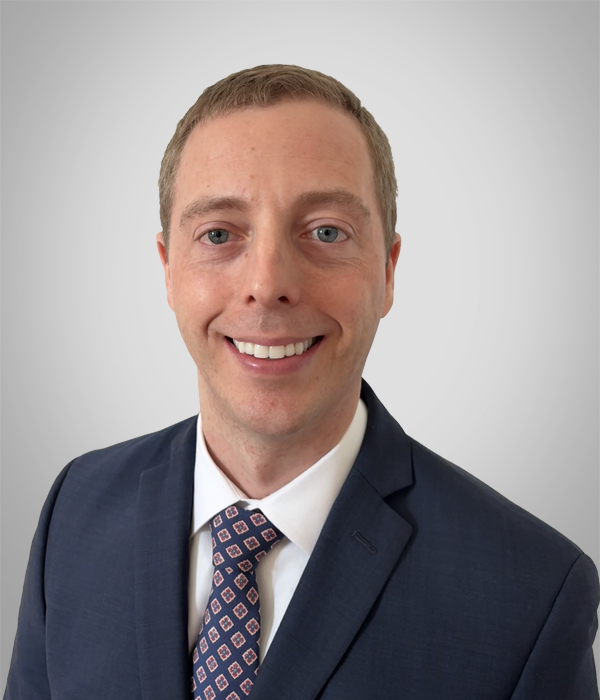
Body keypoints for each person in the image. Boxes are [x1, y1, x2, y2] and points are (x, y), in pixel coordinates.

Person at [3, 64, 599, 700]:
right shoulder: (75, 509)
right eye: (218, 234)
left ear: (388, 272)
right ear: (168, 270)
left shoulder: (532, 595)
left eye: (326, 232)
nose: (267, 284)